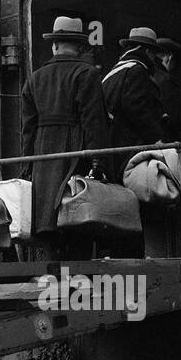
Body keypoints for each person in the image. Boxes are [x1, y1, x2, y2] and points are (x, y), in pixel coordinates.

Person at [20, 17, 110, 260]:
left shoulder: (35, 78)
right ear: (79, 47)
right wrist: (97, 163)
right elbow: (94, 122)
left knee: (48, 225)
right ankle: (78, 287)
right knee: (76, 220)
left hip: (43, 156)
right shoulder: (87, 74)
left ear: (54, 45)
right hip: (75, 152)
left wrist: (28, 165)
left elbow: (27, 128)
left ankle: (52, 282)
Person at [102, 26, 169, 175]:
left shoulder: (115, 71)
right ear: (147, 52)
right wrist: (156, 137)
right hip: (125, 144)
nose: (154, 59)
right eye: (153, 54)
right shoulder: (137, 70)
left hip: (109, 140)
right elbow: (136, 107)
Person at [154, 37, 181, 141]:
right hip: (165, 140)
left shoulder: (143, 75)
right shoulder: (165, 79)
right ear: (169, 57)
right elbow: (175, 113)